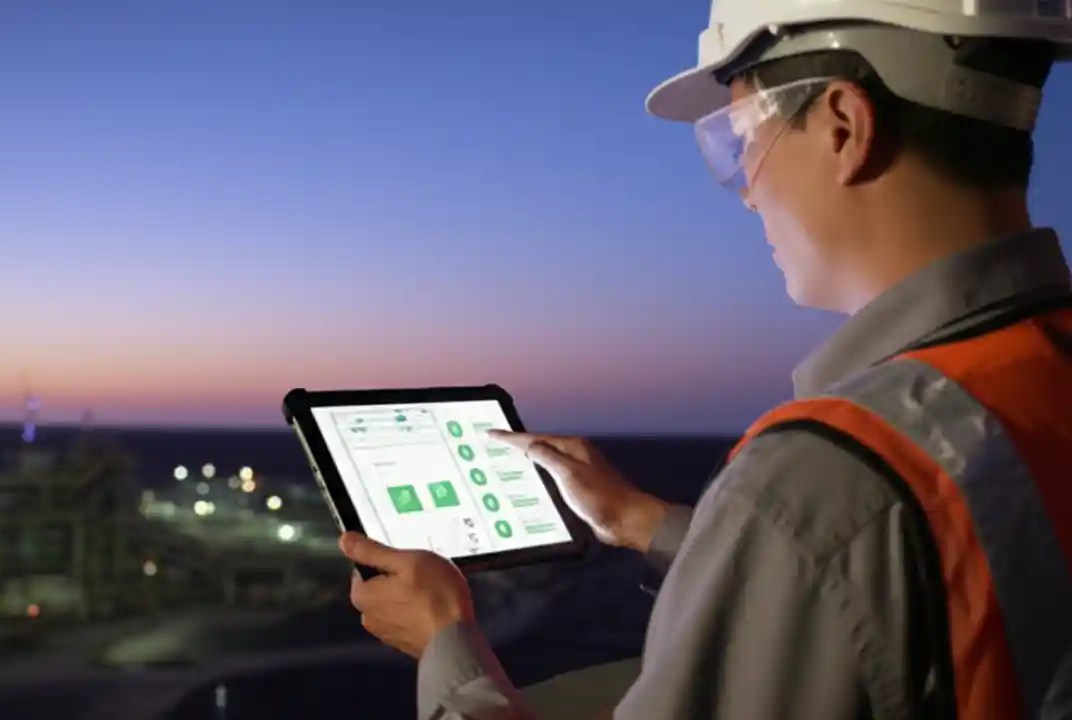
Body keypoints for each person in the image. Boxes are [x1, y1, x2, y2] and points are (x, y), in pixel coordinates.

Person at [340, 1, 1072, 718]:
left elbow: (839, 536)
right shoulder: (1033, 369)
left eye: (744, 138)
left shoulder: (824, 479)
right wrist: (640, 520)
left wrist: (447, 643)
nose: (748, 193)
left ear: (845, 126)